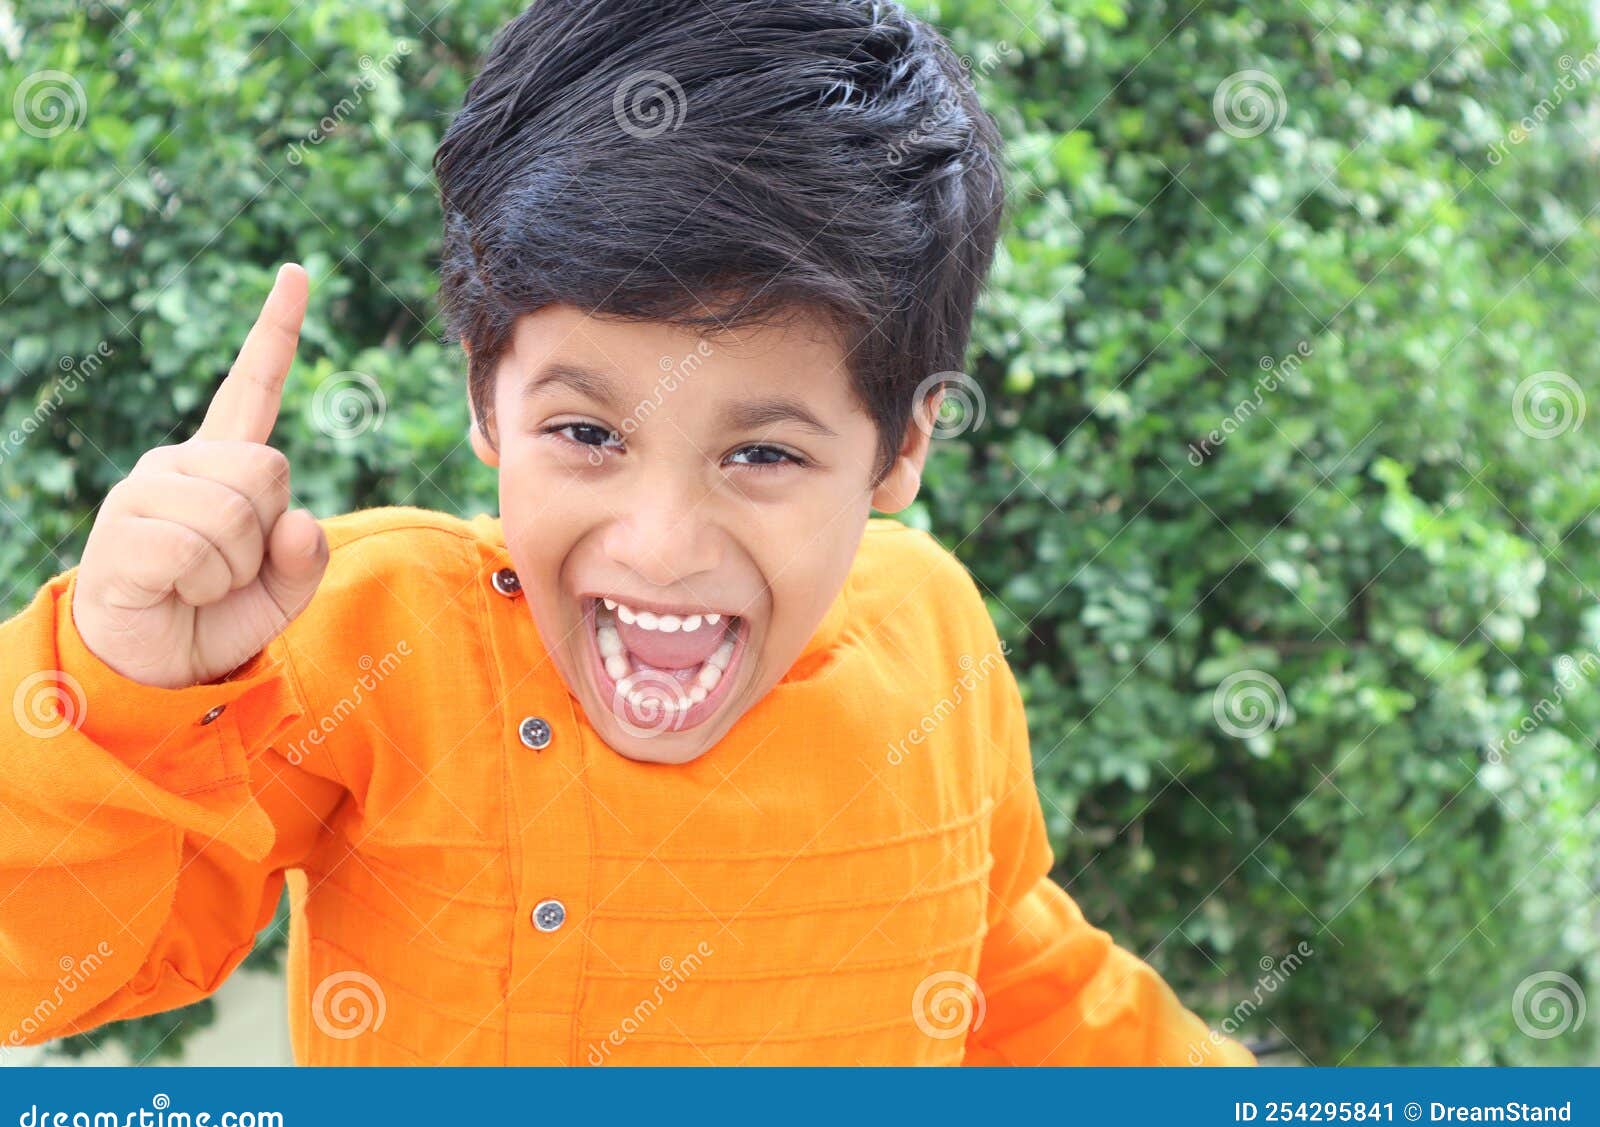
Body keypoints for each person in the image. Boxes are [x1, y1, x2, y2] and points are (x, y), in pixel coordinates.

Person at [0, 0, 1255, 1066]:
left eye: (762, 453)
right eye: (587, 434)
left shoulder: (933, 631)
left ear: (902, 445)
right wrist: (115, 688)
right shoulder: (372, 642)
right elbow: (43, 973)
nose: (659, 546)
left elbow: (1014, 971)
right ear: (487, 398)